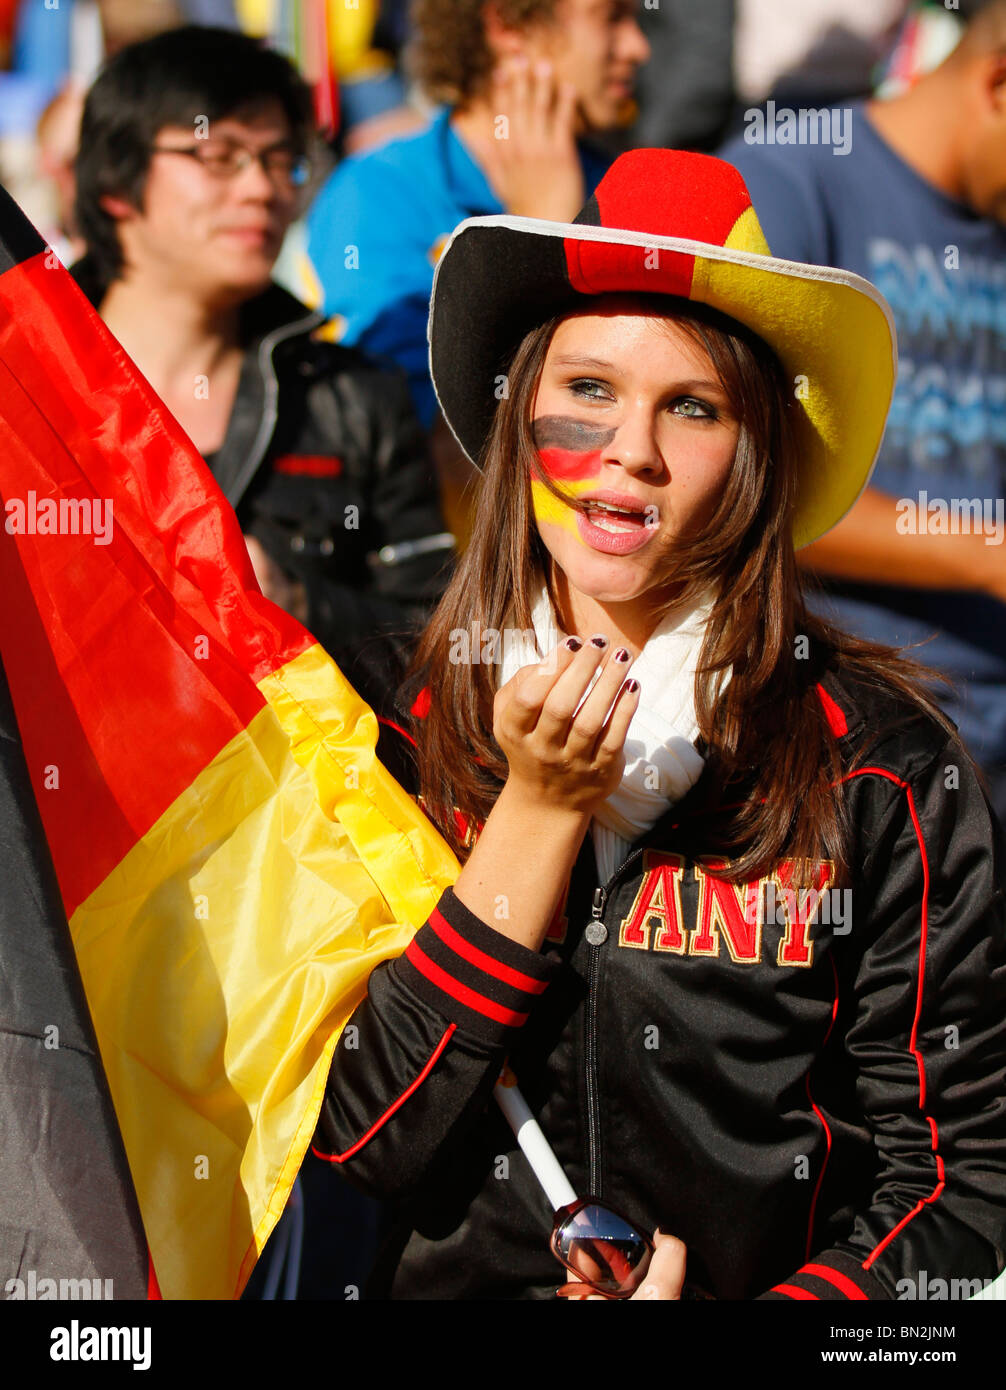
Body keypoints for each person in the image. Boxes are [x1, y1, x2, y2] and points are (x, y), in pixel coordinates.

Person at [311, 148, 1006, 1300]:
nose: (627, 450)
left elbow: (959, 1183)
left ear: (756, 454)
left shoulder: (883, 768)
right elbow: (354, 1139)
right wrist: (535, 810)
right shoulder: (383, 713)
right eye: (586, 390)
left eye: (690, 406)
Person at [71, 25, 453, 706]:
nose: (262, 188)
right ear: (115, 183)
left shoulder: (354, 397)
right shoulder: (26, 385)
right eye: (220, 155)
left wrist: (298, 601)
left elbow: (442, 647)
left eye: (282, 160)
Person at [720, 0, 1006, 818]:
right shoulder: (792, 177)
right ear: (997, 81)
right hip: (842, 743)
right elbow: (749, 481)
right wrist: (990, 555)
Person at [303, 0, 650, 433]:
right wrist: (539, 242)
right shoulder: (380, 194)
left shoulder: (631, 190)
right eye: (612, 17)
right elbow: (407, 433)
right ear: (507, 24)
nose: (638, 48)